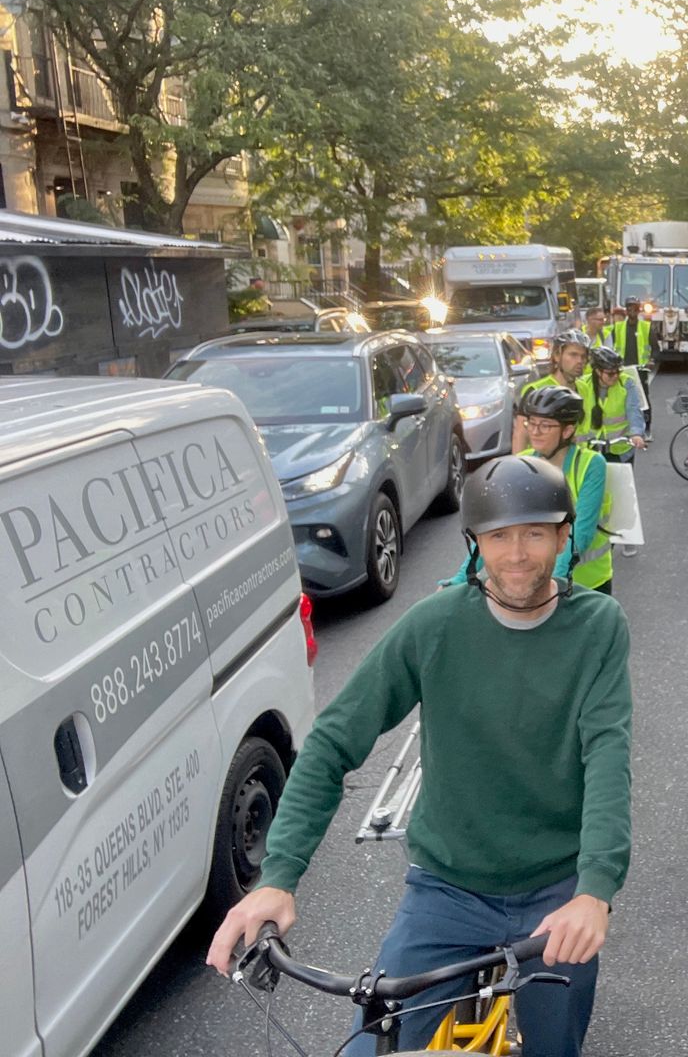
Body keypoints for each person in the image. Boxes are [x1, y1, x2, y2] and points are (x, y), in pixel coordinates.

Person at [206, 455, 632, 1057]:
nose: (517, 554)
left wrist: (595, 890)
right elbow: (332, 742)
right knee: (371, 1047)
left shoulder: (599, 626)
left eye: (535, 534)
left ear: (565, 536)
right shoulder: (434, 625)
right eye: (499, 536)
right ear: (474, 543)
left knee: (553, 1045)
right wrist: (278, 878)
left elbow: (608, 756)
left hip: (554, 890)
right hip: (449, 890)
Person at [448, 386, 613, 594]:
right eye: (531, 423)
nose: (534, 432)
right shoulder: (521, 462)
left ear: (567, 430)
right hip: (537, 583)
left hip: (587, 583)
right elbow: (494, 527)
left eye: (544, 425)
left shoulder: (590, 464)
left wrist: (550, 584)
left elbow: (581, 532)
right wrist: (461, 578)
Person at [516, 329, 590, 452]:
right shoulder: (535, 390)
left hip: (577, 462)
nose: (580, 361)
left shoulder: (584, 388)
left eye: (583, 356)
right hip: (542, 463)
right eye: (573, 355)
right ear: (557, 356)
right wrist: (519, 467)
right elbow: (520, 435)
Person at [579, 346, 646, 463]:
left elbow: (633, 410)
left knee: (623, 480)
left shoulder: (627, 383)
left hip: (621, 449)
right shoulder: (583, 384)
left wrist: (636, 434)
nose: (615, 376)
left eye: (618, 372)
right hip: (590, 449)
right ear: (598, 371)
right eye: (610, 374)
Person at [604, 298, 656, 436]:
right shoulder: (618, 327)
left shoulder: (646, 327)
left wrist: (652, 361)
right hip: (622, 370)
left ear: (639, 310)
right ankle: (625, 426)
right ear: (626, 311)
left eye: (635, 308)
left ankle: (647, 427)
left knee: (643, 399)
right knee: (621, 397)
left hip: (640, 370)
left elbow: (656, 349)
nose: (632, 311)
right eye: (629, 308)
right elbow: (608, 344)